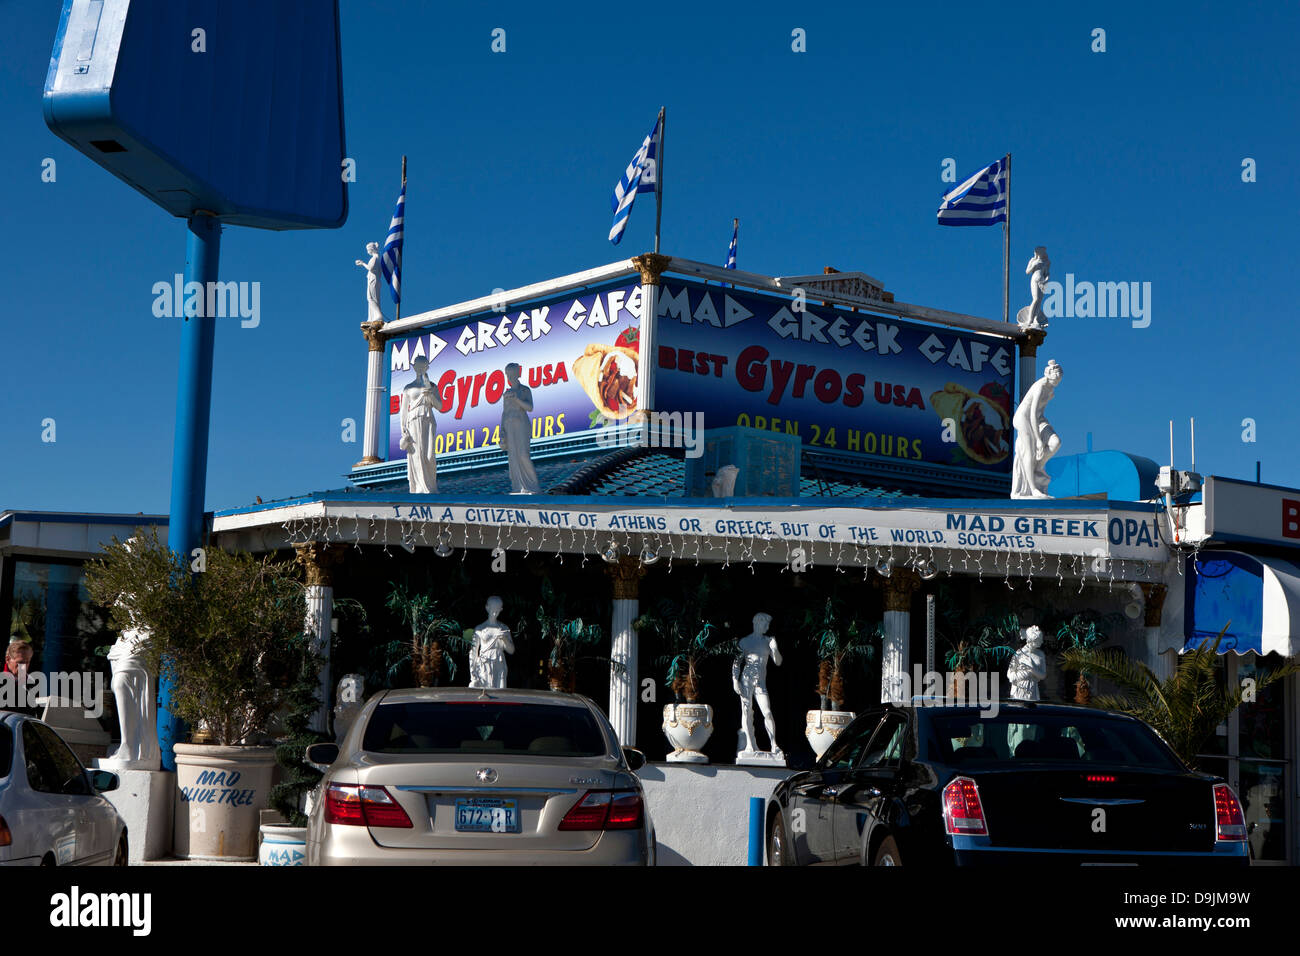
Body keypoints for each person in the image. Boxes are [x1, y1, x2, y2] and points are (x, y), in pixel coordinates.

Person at [732, 613, 784, 759]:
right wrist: (735, 680)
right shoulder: (745, 642)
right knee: (747, 712)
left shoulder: (768, 641)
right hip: (747, 680)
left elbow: (778, 662)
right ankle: (749, 744)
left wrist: (774, 649)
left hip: (761, 683)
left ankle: (774, 745)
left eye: (768, 624)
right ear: (757, 623)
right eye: (765, 624)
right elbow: (737, 663)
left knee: (767, 712)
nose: (767, 627)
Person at [1011, 360, 1063, 498]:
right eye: (1056, 379)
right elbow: (1032, 413)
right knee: (1029, 451)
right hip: (1024, 418)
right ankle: (1033, 489)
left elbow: (1039, 413)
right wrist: (1039, 440)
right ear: (1049, 375)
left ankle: (1038, 467)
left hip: (1039, 419)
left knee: (1055, 443)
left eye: (1059, 380)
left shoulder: (1051, 390)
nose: (1057, 382)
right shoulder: (1040, 387)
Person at [399, 355, 447, 493]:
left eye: (423, 366)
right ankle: (420, 488)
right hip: (413, 420)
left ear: (427, 367)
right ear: (414, 367)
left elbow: (440, 406)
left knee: (429, 455)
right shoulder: (408, 388)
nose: (420, 368)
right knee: (416, 454)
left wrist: (430, 395)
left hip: (428, 419)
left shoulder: (432, 386)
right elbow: (404, 410)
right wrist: (403, 428)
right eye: (418, 366)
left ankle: (430, 486)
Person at [500, 363, 541, 494]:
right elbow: (504, 413)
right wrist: (502, 432)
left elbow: (530, 407)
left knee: (523, 454)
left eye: (512, 374)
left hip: (521, 425)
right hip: (509, 426)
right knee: (513, 457)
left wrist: (517, 400)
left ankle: (532, 486)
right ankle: (518, 486)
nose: (510, 377)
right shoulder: (506, 394)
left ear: (518, 374)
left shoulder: (524, 390)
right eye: (508, 375)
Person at [469, 597, 515, 689]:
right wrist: (473, 673)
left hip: (499, 662)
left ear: (501, 610)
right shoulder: (480, 628)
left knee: (500, 692)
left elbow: (511, 651)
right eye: (493, 610)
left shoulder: (504, 628)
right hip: (484, 663)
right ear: (487, 608)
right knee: (485, 690)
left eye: (497, 611)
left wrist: (504, 639)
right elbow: (473, 652)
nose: (494, 613)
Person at [3, 638, 40, 716]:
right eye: (20, 662)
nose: (24, 667)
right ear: (7, 659)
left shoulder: (32, 684)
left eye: (27, 662)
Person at [355, 241, 385, 324]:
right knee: (372, 298)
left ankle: (378, 315)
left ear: (371, 249)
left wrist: (362, 263)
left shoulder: (375, 258)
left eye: (368, 249)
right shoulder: (377, 258)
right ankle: (371, 317)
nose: (367, 251)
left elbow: (370, 268)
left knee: (371, 298)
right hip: (373, 280)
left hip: (373, 280)